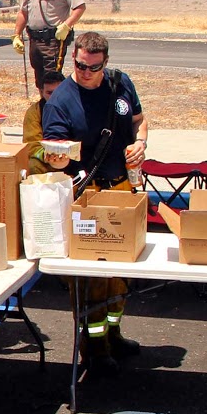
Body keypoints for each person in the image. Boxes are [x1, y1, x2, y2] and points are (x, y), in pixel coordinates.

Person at [40, 33, 148, 377]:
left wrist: (141, 143)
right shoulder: (62, 101)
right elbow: (53, 153)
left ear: (105, 62)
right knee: (91, 281)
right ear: (73, 58)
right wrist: (58, 157)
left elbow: (139, 121)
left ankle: (113, 333)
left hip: (122, 190)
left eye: (93, 67)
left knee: (120, 276)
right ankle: (93, 347)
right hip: (87, 198)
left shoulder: (121, 84)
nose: (85, 72)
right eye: (80, 65)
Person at [14, 0, 86, 84]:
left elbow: (80, 7)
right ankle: (43, 100)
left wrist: (66, 25)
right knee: (39, 76)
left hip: (53, 40)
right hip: (34, 39)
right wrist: (16, 35)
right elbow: (23, 12)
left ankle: (53, 100)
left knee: (52, 77)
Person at [22, 70, 66, 175]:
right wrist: (48, 156)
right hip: (49, 160)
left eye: (58, 92)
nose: (54, 97)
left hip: (73, 158)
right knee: (32, 165)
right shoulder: (34, 112)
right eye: (49, 93)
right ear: (41, 92)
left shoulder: (75, 107)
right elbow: (31, 144)